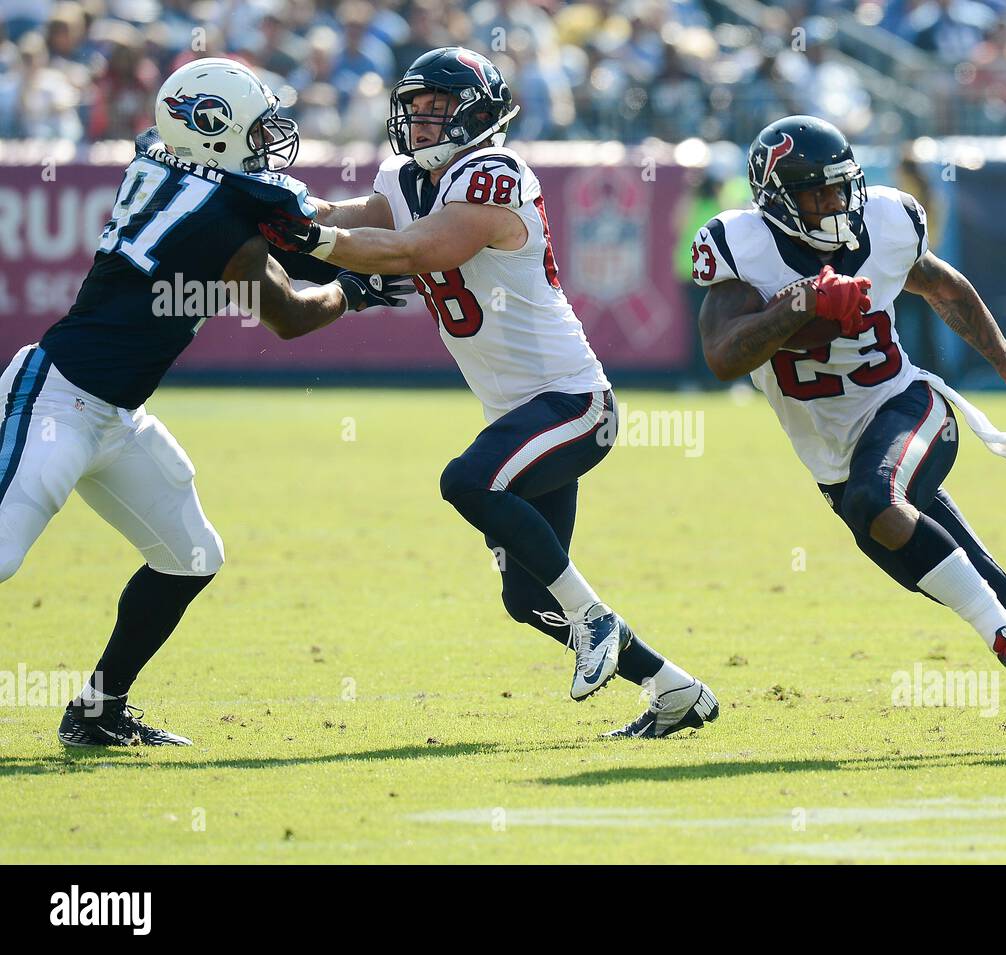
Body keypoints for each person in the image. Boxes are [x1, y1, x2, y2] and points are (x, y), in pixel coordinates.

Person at [260, 47, 717, 738]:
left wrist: (312, 236)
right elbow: (339, 216)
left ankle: (596, 620)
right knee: (528, 596)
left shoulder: (493, 175)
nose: (418, 123)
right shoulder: (410, 178)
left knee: (467, 481)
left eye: (436, 108)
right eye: (413, 109)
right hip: (521, 414)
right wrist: (260, 200)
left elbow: (411, 251)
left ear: (476, 113)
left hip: (571, 404)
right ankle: (671, 688)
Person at [692, 115, 1006, 750]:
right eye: (818, 192)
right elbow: (723, 357)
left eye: (842, 188)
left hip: (908, 407)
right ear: (778, 198)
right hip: (834, 460)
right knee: (1002, 594)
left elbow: (943, 286)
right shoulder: (741, 246)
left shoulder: (886, 224)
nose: (836, 204)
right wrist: (803, 304)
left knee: (881, 503)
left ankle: (1004, 644)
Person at [0, 57, 411, 746]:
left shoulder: (169, 162)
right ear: (215, 131)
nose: (267, 146)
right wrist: (357, 287)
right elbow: (286, 312)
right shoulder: (227, 213)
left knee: (189, 555)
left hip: (112, 414)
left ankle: (98, 712)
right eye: (254, 131)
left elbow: (283, 243)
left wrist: (348, 272)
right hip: (56, 398)